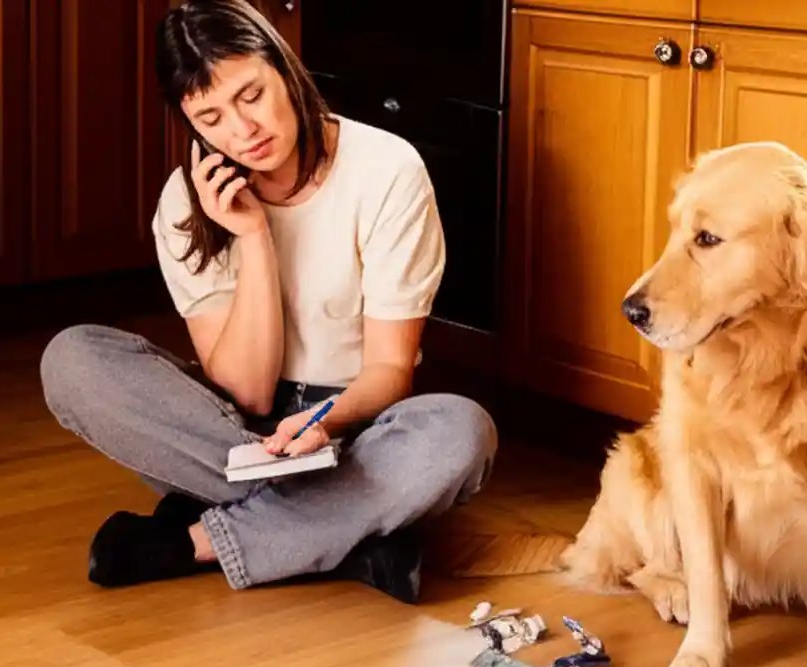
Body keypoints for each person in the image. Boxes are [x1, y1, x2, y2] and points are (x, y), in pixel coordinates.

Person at [38, 0, 497, 604]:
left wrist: (322, 422)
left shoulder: (387, 169)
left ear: (282, 66)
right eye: (211, 118)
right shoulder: (188, 201)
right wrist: (253, 238)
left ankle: (194, 541)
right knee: (72, 359)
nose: (242, 131)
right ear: (190, 123)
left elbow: (390, 369)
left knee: (461, 431)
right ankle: (350, 537)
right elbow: (249, 393)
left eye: (251, 95)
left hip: (352, 427)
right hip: (231, 434)